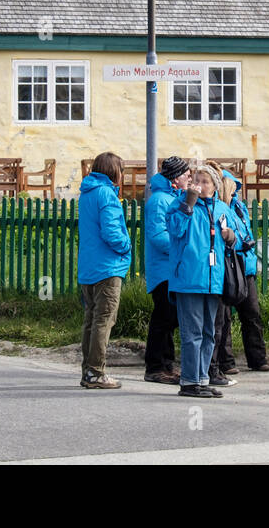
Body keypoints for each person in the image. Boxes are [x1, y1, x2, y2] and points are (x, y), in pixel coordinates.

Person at [167, 163, 236, 398]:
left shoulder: (222, 209)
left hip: (213, 280)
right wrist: (189, 203)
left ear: (215, 186)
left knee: (209, 333)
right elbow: (174, 230)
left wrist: (231, 237)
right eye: (195, 180)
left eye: (205, 181)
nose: (199, 185)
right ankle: (189, 381)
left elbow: (237, 239)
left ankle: (202, 379)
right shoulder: (181, 205)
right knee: (192, 333)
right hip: (189, 280)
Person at [76, 151, 133, 390]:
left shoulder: (87, 193)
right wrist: (126, 245)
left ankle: (88, 370)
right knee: (104, 321)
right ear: (114, 172)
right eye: (121, 170)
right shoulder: (107, 195)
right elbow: (111, 232)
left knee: (91, 320)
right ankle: (96, 371)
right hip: (107, 267)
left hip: (89, 267)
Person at [209, 167, 269, 385]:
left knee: (252, 312)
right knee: (224, 316)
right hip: (228, 264)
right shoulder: (221, 208)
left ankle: (257, 358)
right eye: (233, 186)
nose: (236, 190)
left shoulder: (240, 207)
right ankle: (226, 361)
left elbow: (246, 234)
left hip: (246, 265)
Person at [143, 155, 191, 384]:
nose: (189, 178)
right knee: (163, 318)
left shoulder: (169, 197)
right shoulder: (160, 200)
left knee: (170, 318)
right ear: (175, 178)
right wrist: (181, 248)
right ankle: (155, 366)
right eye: (186, 175)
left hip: (170, 269)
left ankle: (167, 364)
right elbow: (157, 236)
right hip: (162, 269)